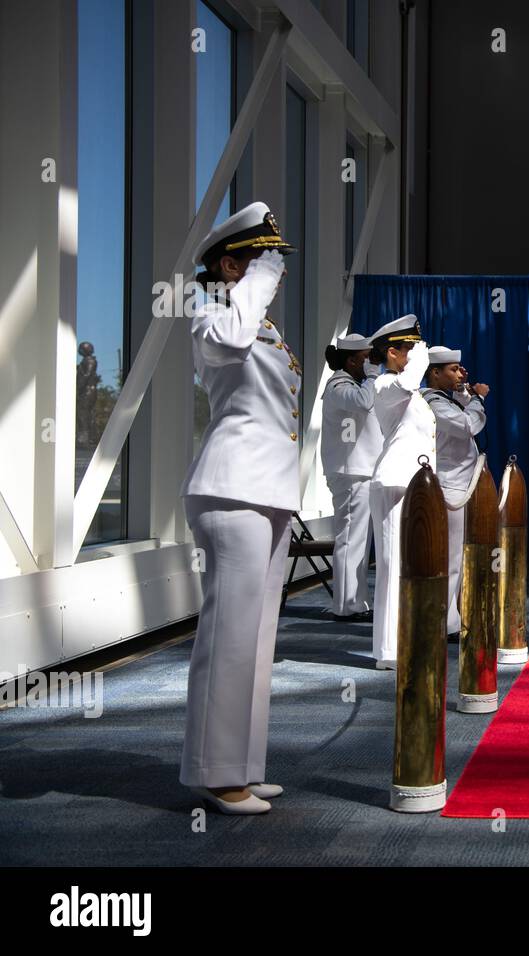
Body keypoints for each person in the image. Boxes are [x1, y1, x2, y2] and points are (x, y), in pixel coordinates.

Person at [180, 201, 297, 815]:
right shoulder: (212, 314)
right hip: (231, 490)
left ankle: (242, 765)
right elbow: (229, 343)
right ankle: (214, 771)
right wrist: (257, 281)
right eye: (259, 261)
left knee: (255, 638)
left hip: (267, 491)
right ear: (231, 264)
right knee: (228, 635)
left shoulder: (260, 325)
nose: (273, 273)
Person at [368, 315, 433, 669]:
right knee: (392, 565)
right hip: (393, 481)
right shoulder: (385, 386)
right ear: (392, 353)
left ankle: (404, 638)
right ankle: (388, 650)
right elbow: (407, 385)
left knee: (407, 563)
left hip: (413, 483)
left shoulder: (410, 389)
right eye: (409, 347)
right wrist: (421, 361)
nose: (416, 353)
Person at [422, 346, 489, 640]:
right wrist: (478, 398)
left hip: (461, 485)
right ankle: (443, 621)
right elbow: (467, 426)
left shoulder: (445, 399)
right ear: (434, 373)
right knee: (449, 559)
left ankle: (449, 615)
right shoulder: (431, 401)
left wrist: (465, 394)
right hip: (450, 487)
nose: (460, 374)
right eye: (452, 370)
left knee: (457, 558)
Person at [321, 333, 383, 622]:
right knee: (350, 539)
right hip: (350, 473)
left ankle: (357, 601)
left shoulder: (354, 384)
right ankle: (346, 605)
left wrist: (370, 376)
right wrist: (372, 375)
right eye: (365, 359)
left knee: (360, 541)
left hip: (360, 470)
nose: (369, 364)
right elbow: (362, 402)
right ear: (350, 360)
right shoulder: (338, 386)